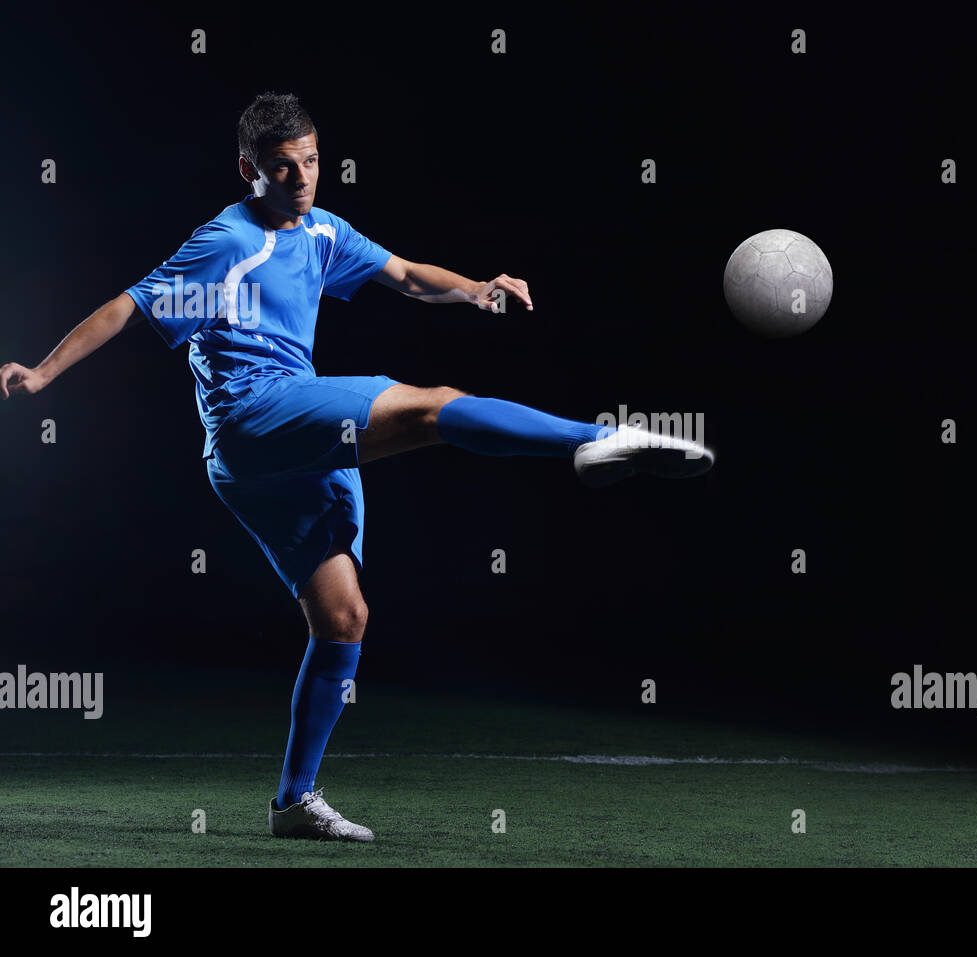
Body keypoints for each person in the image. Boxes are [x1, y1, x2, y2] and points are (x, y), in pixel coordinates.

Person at [0, 91, 713, 842]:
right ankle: (595, 439)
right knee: (435, 407)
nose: (303, 176)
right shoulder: (226, 242)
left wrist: (476, 289)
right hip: (254, 419)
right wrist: (43, 375)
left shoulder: (321, 231)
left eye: (310, 160)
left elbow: (403, 274)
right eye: (284, 167)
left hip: (266, 459)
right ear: (250, 170)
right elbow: (131, 306)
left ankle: (292, 802)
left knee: (343, 618)